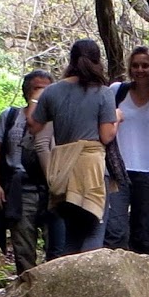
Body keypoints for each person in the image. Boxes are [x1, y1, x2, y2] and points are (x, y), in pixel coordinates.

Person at [28, 38, 117, 255]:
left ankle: (66, 286)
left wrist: (36, 98)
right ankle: (88, 287)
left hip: (63, 170)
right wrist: (117, 119)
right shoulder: (103, 93)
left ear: (71, 60)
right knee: (94, 232)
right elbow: (106, 136)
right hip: (91, 168)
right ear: (98, 61)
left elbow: (33, 126)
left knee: (71, 237)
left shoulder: (53, 92)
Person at [103, 46, 149, 254]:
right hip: (117, 171)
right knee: (115, 231)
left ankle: (141, 281)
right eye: (135, 65)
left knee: (143, 234)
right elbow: (104, 126)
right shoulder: (117, 91)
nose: (140, 70)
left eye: (145, 65)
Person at [0, 69, 54, 274]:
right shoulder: (10, 116)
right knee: (23, 249)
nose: (41, 93)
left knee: (56, 247)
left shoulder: (57, 118)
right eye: (37, 88)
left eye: (46, 89)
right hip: (19, 189)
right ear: (26, 92)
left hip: (51, 189)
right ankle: (26, 294)